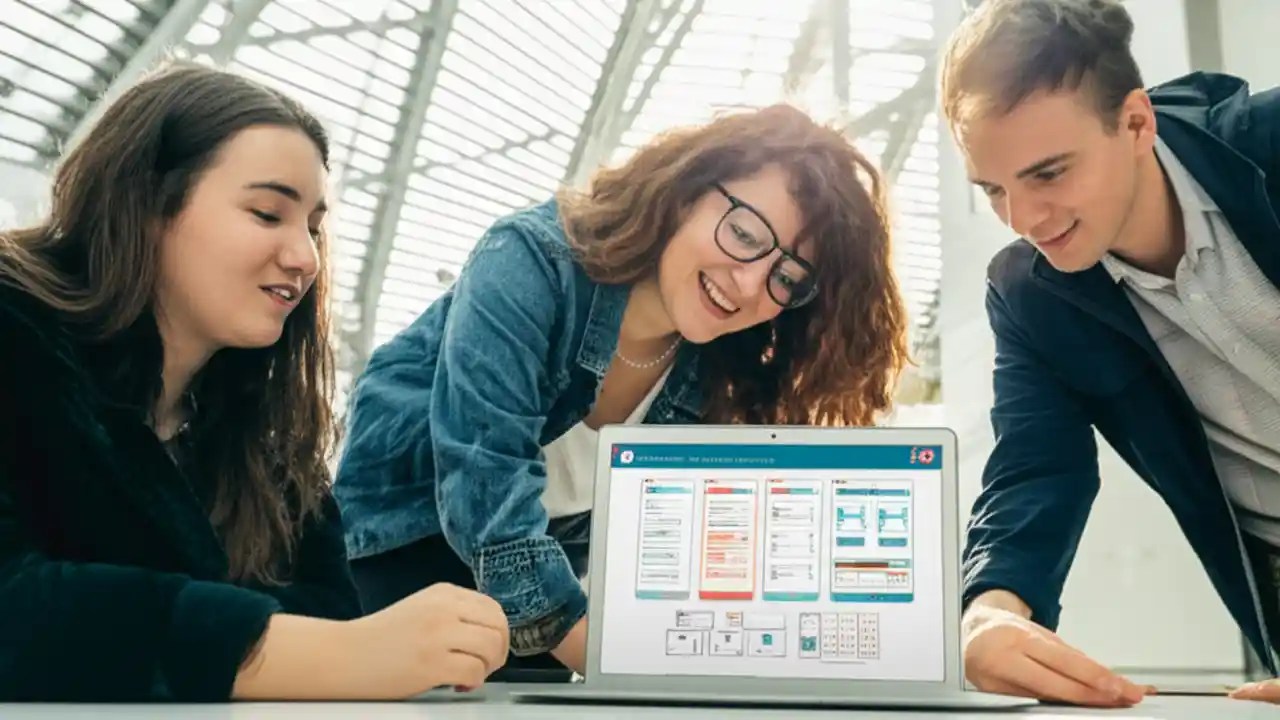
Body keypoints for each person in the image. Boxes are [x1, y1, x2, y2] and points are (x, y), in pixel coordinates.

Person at [333, 104, 911, 674]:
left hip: (537, 603)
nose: (750, 282)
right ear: (684, 191)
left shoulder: (713, 364)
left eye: (786, 277)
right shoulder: (529, 260)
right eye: (742, 232)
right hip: (396, 565)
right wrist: (623, 669)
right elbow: (483, 478)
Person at [0, 62, 509, 702]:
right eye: (268, 214)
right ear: (146, 203)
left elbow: (326, 612)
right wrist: (325, 653)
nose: (305, 257)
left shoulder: (264, 434)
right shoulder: (14, 331)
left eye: (314, 227)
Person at [939, 0, 1280, 707]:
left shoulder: (1269, 143)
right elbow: (1035, 471)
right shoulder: (1030, 297)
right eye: (993, 189)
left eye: (1048, 174)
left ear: (1134, 123)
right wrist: (991, 612)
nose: (1024, 220)